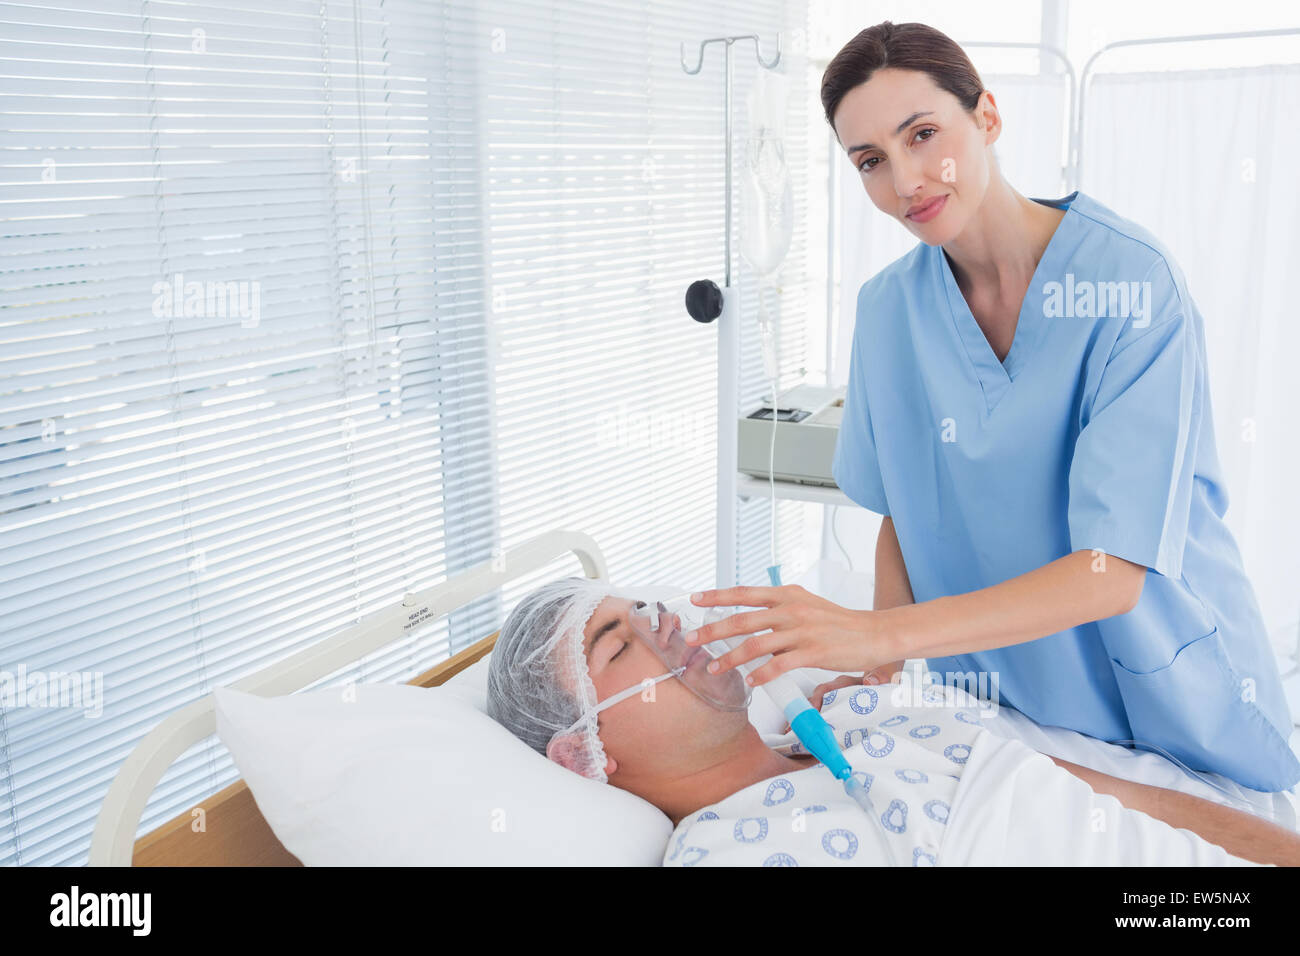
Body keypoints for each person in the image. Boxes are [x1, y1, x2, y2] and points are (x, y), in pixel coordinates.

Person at [684, 20, 1298, 796]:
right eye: (870, 160)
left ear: (989, 118)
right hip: (1004, 704)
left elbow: (1112, 574)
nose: (905, 180)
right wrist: (882, 668)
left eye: (923, 134)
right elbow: (902, 517)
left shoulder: (1132, 288)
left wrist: (879, 632)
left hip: (1172, 703)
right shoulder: (888, 312)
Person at [486, 576, 1300, 866]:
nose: (664, 623)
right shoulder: (724, 854)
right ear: (585, 755)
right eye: (617, 642)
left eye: (645, 607)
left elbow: (1118, 805)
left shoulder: (857, 707)